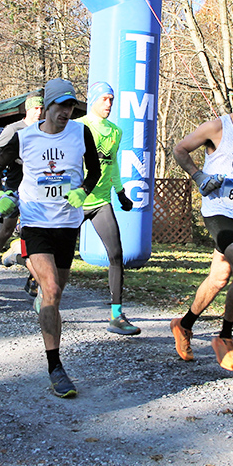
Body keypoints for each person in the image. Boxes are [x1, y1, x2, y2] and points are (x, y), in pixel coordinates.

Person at [0, 78, 101, 398]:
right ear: (47, 106)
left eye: (70, 106)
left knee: (56, 292)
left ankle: (39, 291)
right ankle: (56, 368)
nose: (65, 112)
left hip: (67, 223)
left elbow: (93, 171)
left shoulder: (81, 133)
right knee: (50, 287)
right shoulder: (25, 137)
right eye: (60, 105)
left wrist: (83, 191)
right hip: (35, 222)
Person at [169, 77, 233, 371]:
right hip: (217, 211)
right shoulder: (216, 127)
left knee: (219, 277)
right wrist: (199, 176)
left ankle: (183, 325)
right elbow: (179, 149)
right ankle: (225, 338)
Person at [77, 82, 140, 335]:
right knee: (58, 255)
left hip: (102, 202)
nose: (109, 104)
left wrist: (121, 192)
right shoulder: (79, 127)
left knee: (116, 254)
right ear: (93, 99)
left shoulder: (115, 131)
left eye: (112, 99)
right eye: (104, 99)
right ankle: (39, 290)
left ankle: (116, 315)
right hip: (76, 202)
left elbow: (112, 164)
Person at [0, 91, 44, 292]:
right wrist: (16, 157)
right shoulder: (14, 129)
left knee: (34, 232)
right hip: (14, 187)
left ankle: (34, 278)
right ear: (27, 109)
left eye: (41, 108)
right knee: (7, 229)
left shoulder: (44, 130)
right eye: (35, 108)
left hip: (37, 190)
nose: (39, 112)